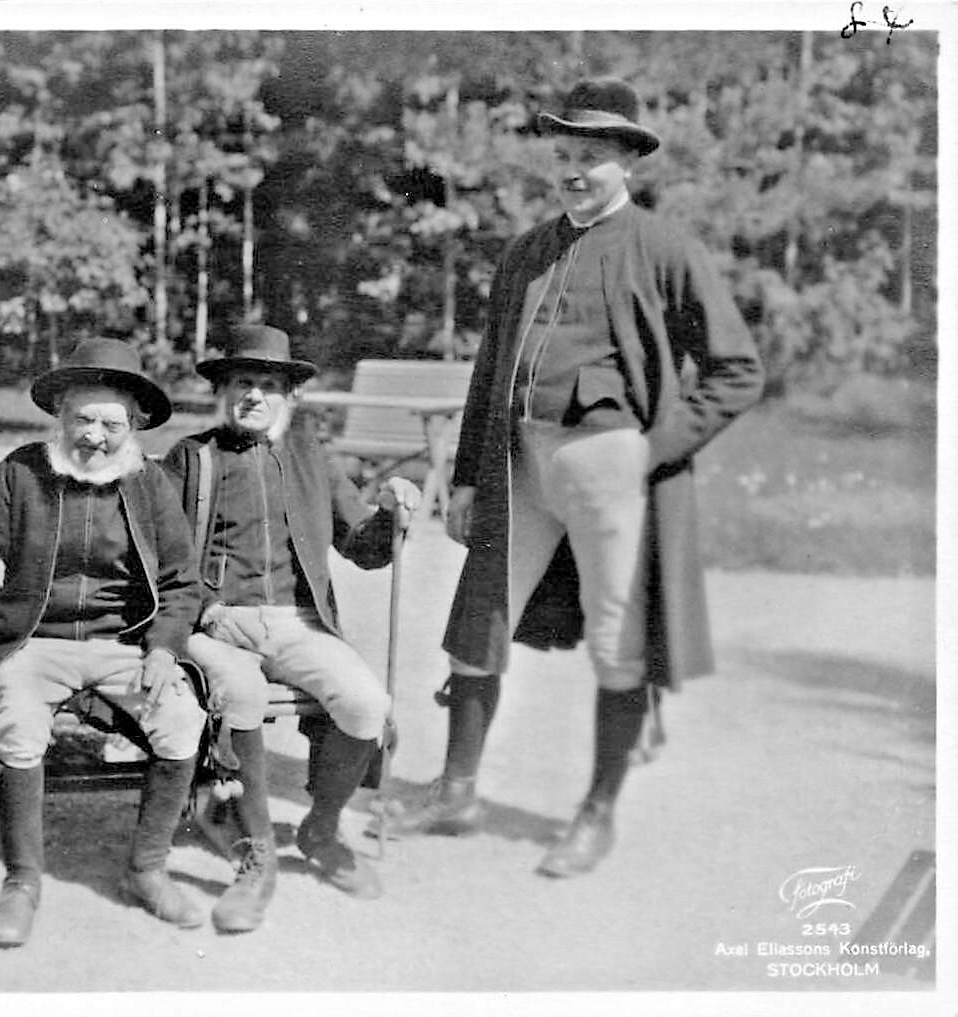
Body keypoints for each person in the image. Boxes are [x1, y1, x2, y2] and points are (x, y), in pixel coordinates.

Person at [375, 78, 764, 877]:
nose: (575, 170)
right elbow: (491, 372)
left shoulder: (664, 248)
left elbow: (734, 369)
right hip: (519, 464)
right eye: (565, 155)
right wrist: (471, 475)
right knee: (477, 623)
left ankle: (595, 812)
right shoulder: (526, 250)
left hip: (611, 466)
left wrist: (654, 448)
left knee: (620, 641)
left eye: (591, 156)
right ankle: (455, 791)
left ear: (629, 165)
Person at [0, 337, 208, 947]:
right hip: (32, 643)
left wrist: (162, 650)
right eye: (84, 419)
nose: (95, 436)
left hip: (123, 646)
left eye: (111, 423)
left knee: (182, 718)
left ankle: (147, 867)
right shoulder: (21, 472)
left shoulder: (150, 486)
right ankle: (22, 882)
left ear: (132, 427)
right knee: (17, 726)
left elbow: (183, 582)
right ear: (60, 416)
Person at [162, 324, 422, 930]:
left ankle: (321, 829)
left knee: (365, 704)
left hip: (298, 622)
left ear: (291, 398)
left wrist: (391, 513)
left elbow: (364, 546)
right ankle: (259, 860)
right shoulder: (191, 459)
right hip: (215, 624)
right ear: (221, 392)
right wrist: (201, 609)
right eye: (242, 383)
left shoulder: (311, 459)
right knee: (245, 694)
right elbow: (161, 556)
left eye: (269, 386)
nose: (255, 396)